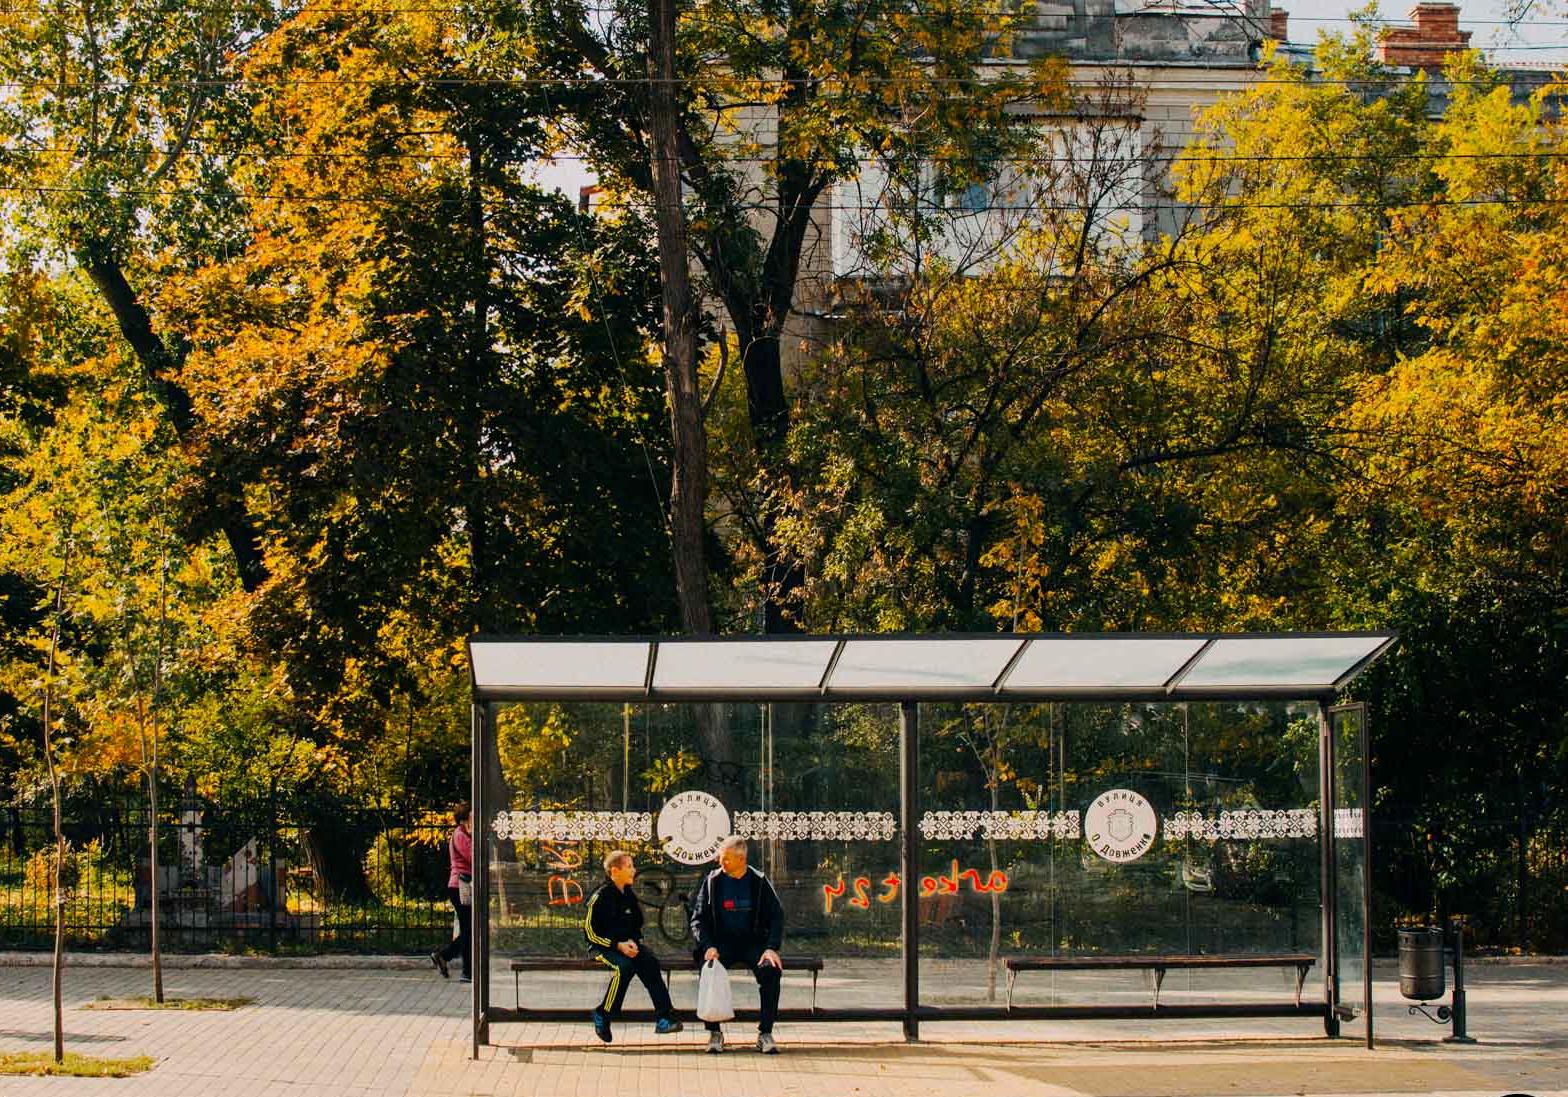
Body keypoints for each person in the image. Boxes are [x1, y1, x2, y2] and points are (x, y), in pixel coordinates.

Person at [689, 835, 785, 1054]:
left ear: (741, 859)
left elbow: (777, 916)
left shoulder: (759, 881)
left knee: (771, 971)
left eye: (726, 859)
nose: (721, 863)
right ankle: (714, 1033)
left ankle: (765, 1033)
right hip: (721, 944)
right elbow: (698, 919)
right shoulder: (713, 881)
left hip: (753, 944)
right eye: (720, 858)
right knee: (708, 969)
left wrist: (771, 947)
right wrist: (707, 946)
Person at [584, 850, 684, 1043]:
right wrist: (617, 945)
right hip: (604, 947)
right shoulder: (601, 896)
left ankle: (664, 1018)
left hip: (627, 945)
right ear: (614, 871)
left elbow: (636, 922)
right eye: (629, 866)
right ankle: (603, 1014)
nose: (634, 870)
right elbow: (590, 933)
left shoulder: (628, 893)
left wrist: (632, 941)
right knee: (624, 968)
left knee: (650, 962)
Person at [430, 803, 473, 983]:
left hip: (464, 885)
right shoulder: (460, 835)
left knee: (468, 929)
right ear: (464, 819)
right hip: (460, 886)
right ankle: (456, 964)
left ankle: (456, 964)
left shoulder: (465, 834)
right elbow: (473, 856)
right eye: (472, 815)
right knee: (469, 929)